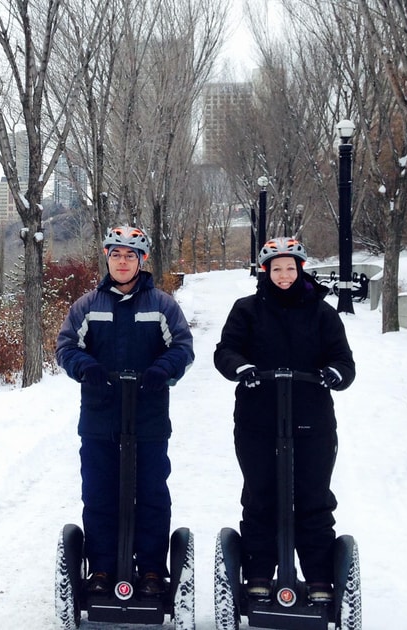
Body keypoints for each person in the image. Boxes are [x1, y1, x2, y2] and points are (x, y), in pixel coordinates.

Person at [213, 236, 355, 603]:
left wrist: (335, 373)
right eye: (277, 268)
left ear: (301, 269)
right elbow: (225, 351)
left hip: (311, 421)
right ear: (265, 271)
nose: (284, 275)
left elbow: (343, 360)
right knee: (261, 496)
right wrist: (240, 367)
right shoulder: (246, 310)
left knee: (313, 498)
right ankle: (259, 572)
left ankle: (320, 578)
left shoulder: (323, 313)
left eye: (290, 268)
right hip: (258, 420)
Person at [56, 225, 194, 598]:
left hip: (148, 414)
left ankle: (151, 569)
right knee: (100, 492)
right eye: (116, 254)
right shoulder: (87, 305)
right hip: (101, 416)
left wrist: (163, 369)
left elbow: (182, 346)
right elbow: (66, 346)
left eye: (129, 255)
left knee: (150, 492)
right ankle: (101, 566)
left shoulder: (162, 305)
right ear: (106, 257)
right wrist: (86, 367)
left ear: (141, 260)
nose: (122, 261)